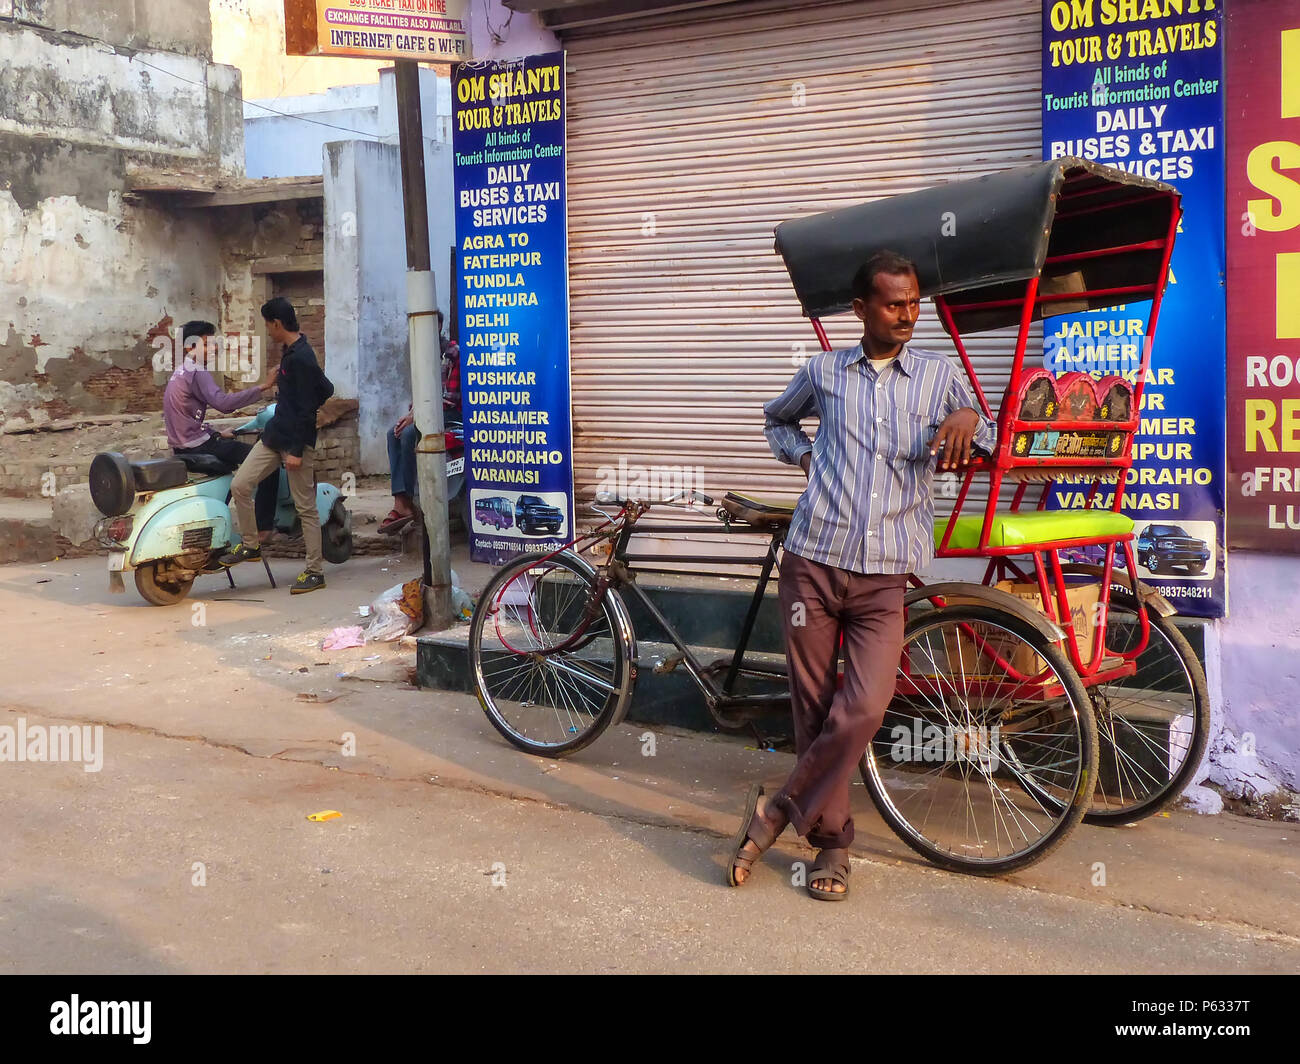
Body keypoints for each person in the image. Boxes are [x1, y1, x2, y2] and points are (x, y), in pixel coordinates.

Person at [727, 250, 997, 900]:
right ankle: (831, 849)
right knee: (815, 711)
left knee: (864, 709)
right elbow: (776, 418)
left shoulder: (936, 377)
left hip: (882, 581)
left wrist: (966, 420)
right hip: (813, 563)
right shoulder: (824, 372)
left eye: (913, 304)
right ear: (860, 309)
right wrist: (805, 452)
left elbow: (983, 432)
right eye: (894, 304)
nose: (907, 315)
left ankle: (774, 814)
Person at [220, 298, 335, 594]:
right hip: (274, 435)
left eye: (268, 325)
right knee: (241, 485)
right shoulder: (291, 353)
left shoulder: (302, 358)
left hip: (296, 441)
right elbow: (325, 388)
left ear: (277, 324)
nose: (267, 331)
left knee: (305, 507)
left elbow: (308, 409)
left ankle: (314, 571)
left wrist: (296, 451)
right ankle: (250, 545)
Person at [163, 320, 279, 547]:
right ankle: (264, 529)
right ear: (190, 347)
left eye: (213, 344)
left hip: (186, 443)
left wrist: (214, 433)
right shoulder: (197, 371)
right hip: (197, 446)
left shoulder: (180, 371)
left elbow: (186, 419)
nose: (213, 349)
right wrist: (263, 387)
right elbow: (223, 403)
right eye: (206, 345)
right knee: (269, 463)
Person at [379, 311, 460, 536]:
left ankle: (410, 499)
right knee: (393, 433)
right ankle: (401, 501)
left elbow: (450, 399)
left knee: (408, 435)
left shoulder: (452, 353)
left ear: (439, 327)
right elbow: (421, 394)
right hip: (427, 413)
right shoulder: (421, 354)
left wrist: (416, 416)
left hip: (452, 414)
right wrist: (412, 414)